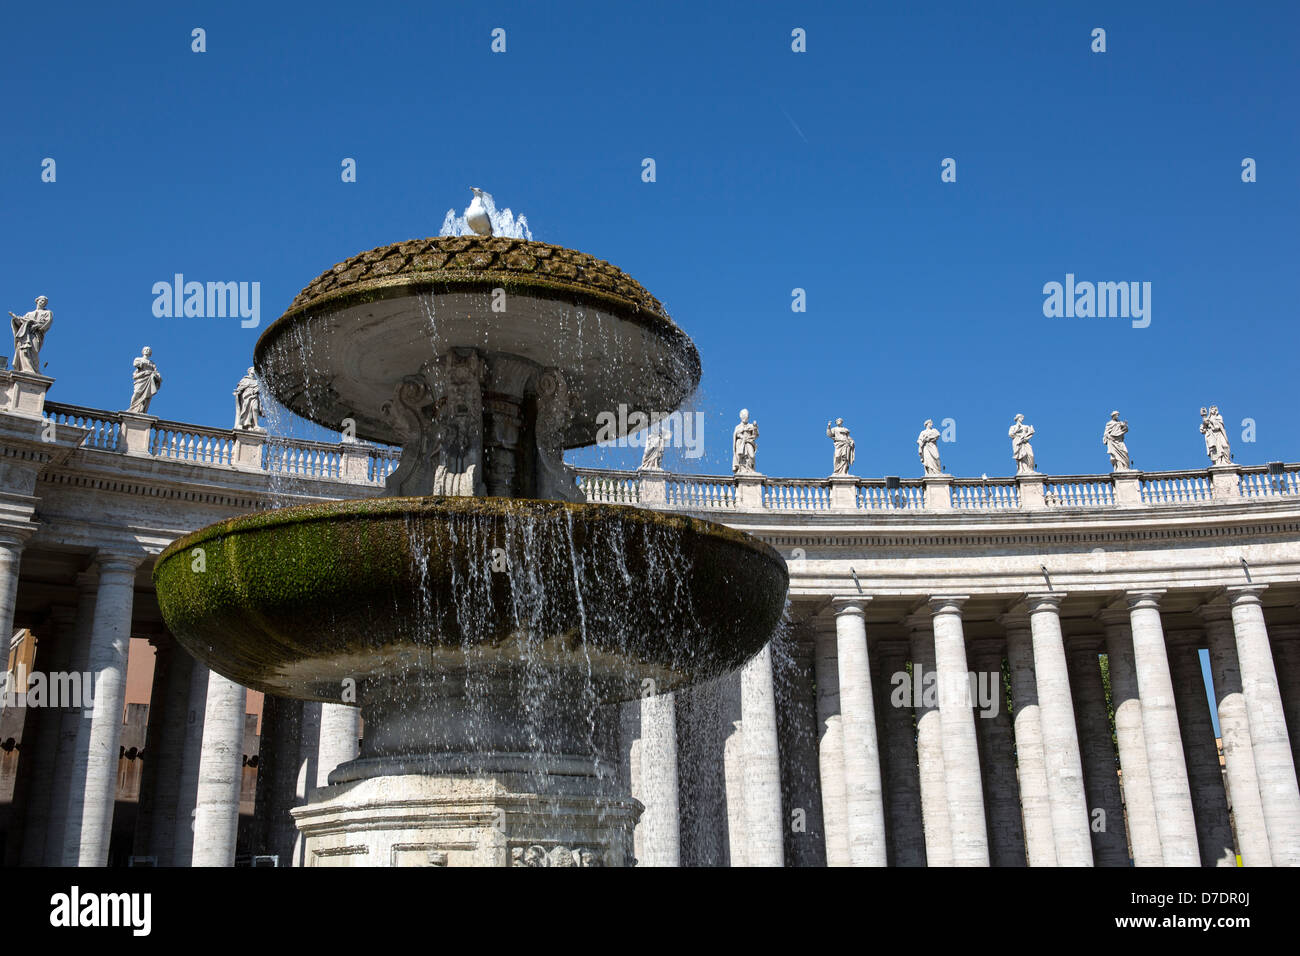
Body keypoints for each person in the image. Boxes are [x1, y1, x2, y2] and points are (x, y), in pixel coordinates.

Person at [8, 295, 52, 374]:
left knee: (33, 350)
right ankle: (25, 368)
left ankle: (34, 369)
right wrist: (16, 319)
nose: (43, 302)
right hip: (25, 335)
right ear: (37, 301)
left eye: (44, 302)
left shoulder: (47, 313)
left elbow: (47, 323)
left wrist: (37, 326)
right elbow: (21, 324)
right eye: (41, 300)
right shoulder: (29, 314)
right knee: (24, 349)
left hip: (36, 334)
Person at [128, 347, 163, 413]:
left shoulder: (152, 363)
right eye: (146, 350)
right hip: (141, 378)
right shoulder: (138, 359)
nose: (147, 351)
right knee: (137, 392)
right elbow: (136, 364)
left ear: (150, 353)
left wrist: (158, 375)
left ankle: (142, 409)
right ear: (143, 351)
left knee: (147, 396)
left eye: (149, 350)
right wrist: (144, 368)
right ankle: (132, 408)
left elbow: (156, 371)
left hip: (149, 379)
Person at [732, 409, 759, 474]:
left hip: (749, 442)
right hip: (741, 443)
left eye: (746, 416)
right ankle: (742, 470)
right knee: (741, 457)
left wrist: (755, 428)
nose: (745, 417)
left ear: (748, 417)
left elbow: (755, 435)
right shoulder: (738, 427)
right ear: (740, 416)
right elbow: (736, 435)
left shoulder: (751, 426)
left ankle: (750, 469)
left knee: (751, 456)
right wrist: (741, 435)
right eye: (744, 415)